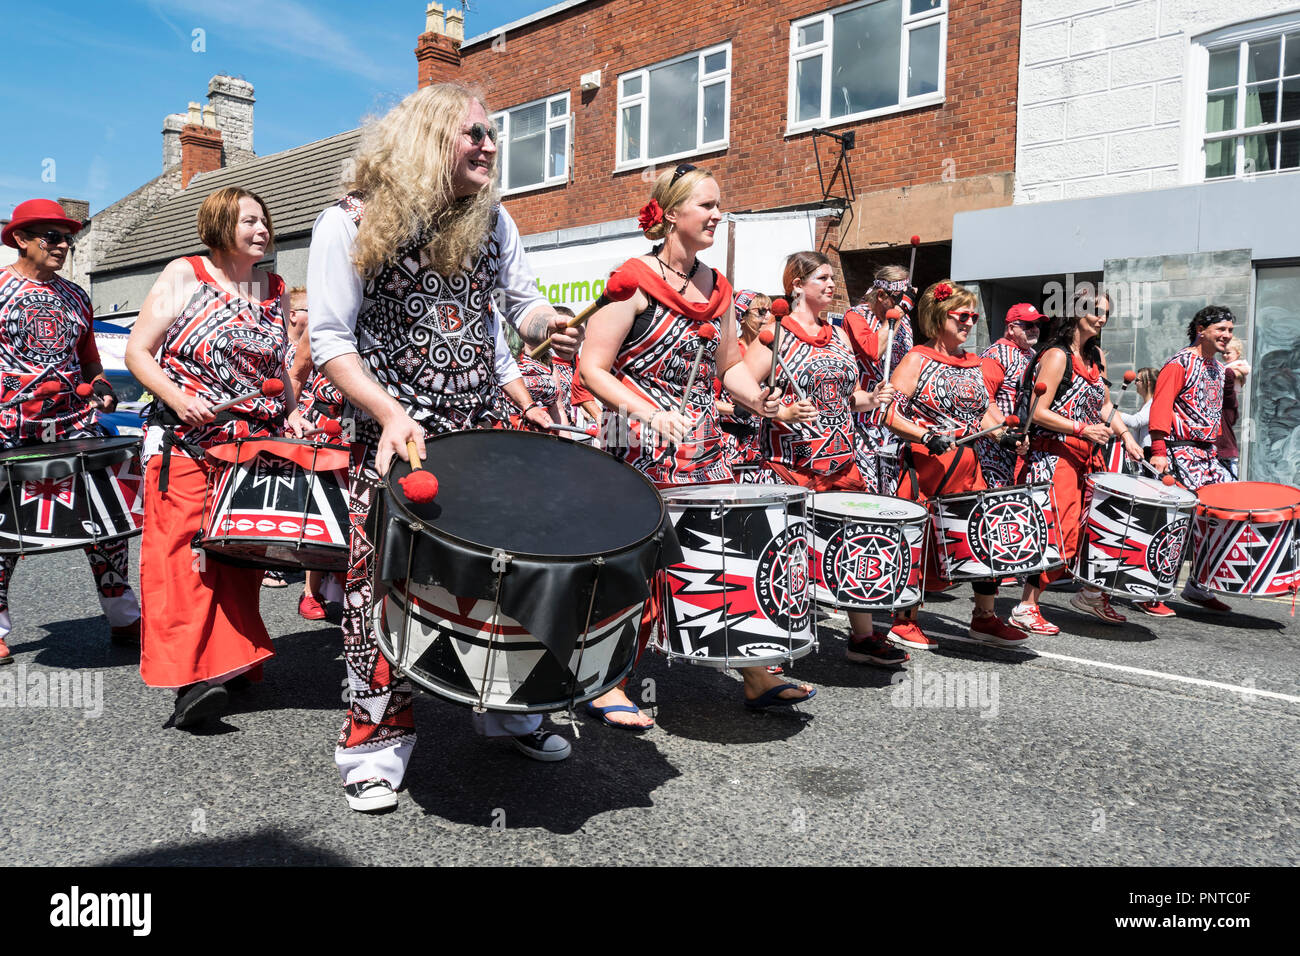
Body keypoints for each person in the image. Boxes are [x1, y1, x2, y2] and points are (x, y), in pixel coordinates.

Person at [307, 83, 580, 812]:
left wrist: (549, 322)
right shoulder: (349, 219)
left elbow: (518, 311)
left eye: (491, 135)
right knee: (381, 595)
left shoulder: (496, 221)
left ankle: (509, 708)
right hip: (398, 445)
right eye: (474, 134)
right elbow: (330, 337)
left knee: (498, 582)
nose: (489, 145)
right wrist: (388, 412)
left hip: (480, 441)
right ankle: (372, 746)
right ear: (428, 139)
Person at [580, 163, 812, 722]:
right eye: (706, 205)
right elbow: (592, 367)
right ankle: (603, 681)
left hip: (699, 443)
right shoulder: (631, 280)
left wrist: (759, 401)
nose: (717, 214)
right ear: (671, 212)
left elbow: (727, 366)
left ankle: (753, 673)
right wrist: (650, 414)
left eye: (718, 204)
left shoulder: (719, 288)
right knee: (631, 564)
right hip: (630, 442)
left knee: (714, 548)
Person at [126, 186, 303, 728]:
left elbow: (284, 366)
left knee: (237, 559)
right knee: (182, 559)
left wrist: (293, 415)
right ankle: (190, 681)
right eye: (249, 220)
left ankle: (231, 663)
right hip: (187, 444)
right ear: (220, 225)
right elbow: (137, 350)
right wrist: (178, 398)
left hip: (254, 448)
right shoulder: (184, 274)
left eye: (265, 220)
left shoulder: (274, 288)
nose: (262, 230)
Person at [0, 199, 141, 666]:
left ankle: (123, 615)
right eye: (52, 237)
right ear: (21, 238)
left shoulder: (77, 296)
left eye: (68, 239)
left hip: (76, 426)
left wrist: (101, 386)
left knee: (107, 523)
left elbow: (90, 360)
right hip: (10, 432)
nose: (63, 246)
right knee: (4, 535)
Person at [745, 252, 903, 666]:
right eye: (822, 278)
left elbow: (845, 397)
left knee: (853, 543)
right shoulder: (776, 334)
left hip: (842, 461)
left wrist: (870, 399)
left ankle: (862, 637)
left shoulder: (838, 334)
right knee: (790, 553)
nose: (832, 286)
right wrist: (780, 411)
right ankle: (775, 642)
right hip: (792, 464)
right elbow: (739, 390)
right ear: (796, 285)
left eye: (833, 278)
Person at [883, 280, 1030, 649]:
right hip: (926, 467)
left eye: (974, 316)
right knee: (918, 542)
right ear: (938, 316)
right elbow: (890, 414)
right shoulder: (917, 358)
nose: (969, 322)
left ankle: (984, 618)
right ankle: (904, 619)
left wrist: (1004, 435)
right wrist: (924, 435)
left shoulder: (974, 362)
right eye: (961, 315)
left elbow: (985, 413)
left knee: (985, 536)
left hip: (967, 466)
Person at [1007, 291, 1144, 633]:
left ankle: (1091, 593)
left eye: (1106, 314)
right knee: (1059, 531)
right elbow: (1038, 412)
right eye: (1096, 312)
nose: (1102, 319)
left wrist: (1126, 437)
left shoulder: (1096, 356)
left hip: (1087, 456)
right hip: (1056, 456)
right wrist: (1082, 429)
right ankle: (1026, 605)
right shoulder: (1056, 356)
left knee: (1094, 528)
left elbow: (1105, 407)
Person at [1149, 305, 1237, 613]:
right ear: (1201, 329)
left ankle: (1198, 586)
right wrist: (1159, 450)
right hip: (1179, 451)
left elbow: (1222, 414)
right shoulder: (1179, 363)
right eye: (1221, 329)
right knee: (1176, 522)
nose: (1227, 335)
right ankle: (1150, 592)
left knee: (1218, 518)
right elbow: (1160, 406)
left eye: (1230, 330)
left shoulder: (1218, 369)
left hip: (1209, 455)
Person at [843, 265, 911, 493]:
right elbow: (872, 350)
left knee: (895, 492)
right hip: (864, 418)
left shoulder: (904, 322)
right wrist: (896, 316)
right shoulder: (855, 316)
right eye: (898, 298)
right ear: (881, 295)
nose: (903, 304)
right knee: (870, 490)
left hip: (895, 419)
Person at [976, 303, 1045, 488]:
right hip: (997, 445)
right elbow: (984, 401)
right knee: (1000, 500)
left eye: (1037, 324)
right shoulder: (995, 355)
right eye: (1028, 325)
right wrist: (1008, 432)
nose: (1035, 329)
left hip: (1024, 444)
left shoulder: (1033, 354)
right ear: (1011, 328)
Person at [717, 289, 770, 475]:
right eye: (761, 312)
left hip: (762, 444)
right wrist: (734, 409)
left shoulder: (770, 353)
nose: (767, 318)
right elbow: (706, 399)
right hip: (731, 443)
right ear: (742, 317)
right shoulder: (729, 354)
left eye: (769, 312)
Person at [1217, 337, 1249, 479]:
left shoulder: (1238, 364)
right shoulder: (1225, 365)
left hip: (1231, 394)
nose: (1225, 356)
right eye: (1223, 353)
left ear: (1237, 353)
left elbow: (1244, 370)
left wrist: (1232, 371)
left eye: (1228, 353)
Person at [1120, 366, 1158, 463]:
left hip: (1150, 454)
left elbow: (1136, 421)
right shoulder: (1145, 405)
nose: (1135, 383)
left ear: (1148, 383)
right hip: (1143, 455)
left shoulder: (1154, 403)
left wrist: (1113, 413)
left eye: (1137, 380)